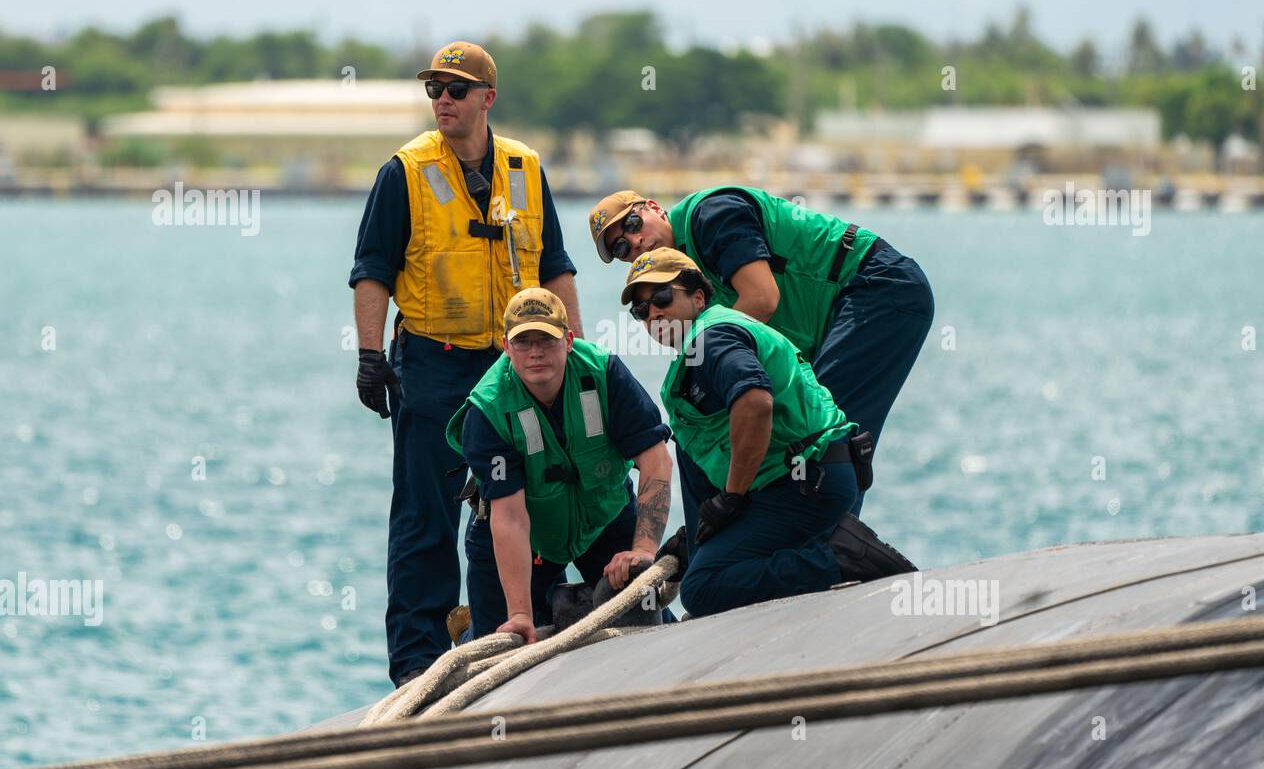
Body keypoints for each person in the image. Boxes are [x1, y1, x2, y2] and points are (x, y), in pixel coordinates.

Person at [349, 41, 582, 687]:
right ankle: (417, 667)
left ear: (488, 97)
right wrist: (370, 358)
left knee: (522, 504)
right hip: (431, 364)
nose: (443, 100)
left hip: (515, 367)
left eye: (456, 89)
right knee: (426, 518)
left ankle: (510, 634)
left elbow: (555, 266)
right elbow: (371, 272)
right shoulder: (405, 171)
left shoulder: (526, 168)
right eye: (434, 90)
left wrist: (578, 354)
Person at [589, 186, 932, 515]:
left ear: (653, 207)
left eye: (632, 225)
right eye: (620, 248)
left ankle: (831, 544)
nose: (634, 243)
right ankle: (729, 536)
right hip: (837, 318)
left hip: (877, 287)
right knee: (774, 422)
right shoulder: (681, 278)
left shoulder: (712, 215)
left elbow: (761, 299)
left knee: (823, 430)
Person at [621, 248, 889, 616]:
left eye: (663, 297)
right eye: (641, 310)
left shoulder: (711, 339)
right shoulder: (703, 343)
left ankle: (839, 559)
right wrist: (696, 535)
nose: (653, 312)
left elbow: (755, 401)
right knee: (704, 563)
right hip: (805, 478)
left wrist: (732, 496)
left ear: (698, 296)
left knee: (701, 588)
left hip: (807, 482)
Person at [446, 288, 673, 643]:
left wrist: (643, 551)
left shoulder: (604, 373)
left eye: (546, 339)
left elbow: (655, 460)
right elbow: (511, 517)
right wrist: (520, 614)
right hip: (524, 537)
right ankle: (468, 632)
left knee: (655, 624)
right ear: (506, 346)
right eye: (523, 342)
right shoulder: (487, 410)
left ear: (568, 340)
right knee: (498, 649)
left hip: (605, 519)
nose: (535, 352)